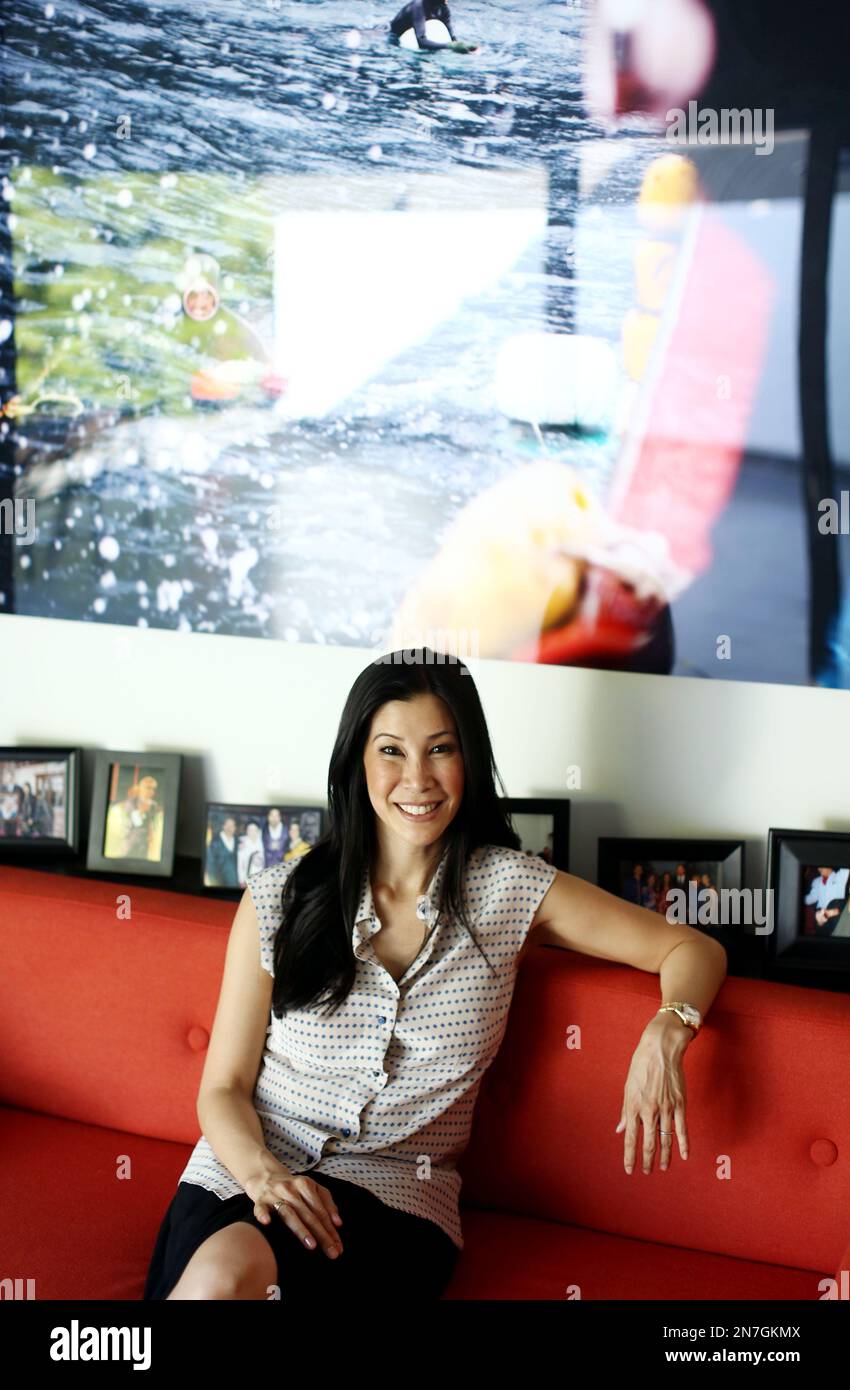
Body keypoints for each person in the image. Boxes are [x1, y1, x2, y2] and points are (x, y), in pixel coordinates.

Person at [143, 648, 726, 1302]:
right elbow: (222, 1088)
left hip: (391, 1200)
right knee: (219, 1274)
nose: (417, 779)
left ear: (469, 759)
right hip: (243, 1176)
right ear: (357, 762)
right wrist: (263, 1176)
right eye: (391, 751)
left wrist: (668, 1030)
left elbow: (692, 948)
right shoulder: (278, 897)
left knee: (226, 1279)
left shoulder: (513, 890)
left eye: (440, 749)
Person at [388, 1, 477, 53]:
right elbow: (421, 42)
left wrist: (465, 48)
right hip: (393, 37)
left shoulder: (443, 8)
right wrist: (450, 46)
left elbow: (452, 39)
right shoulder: (418, 6)